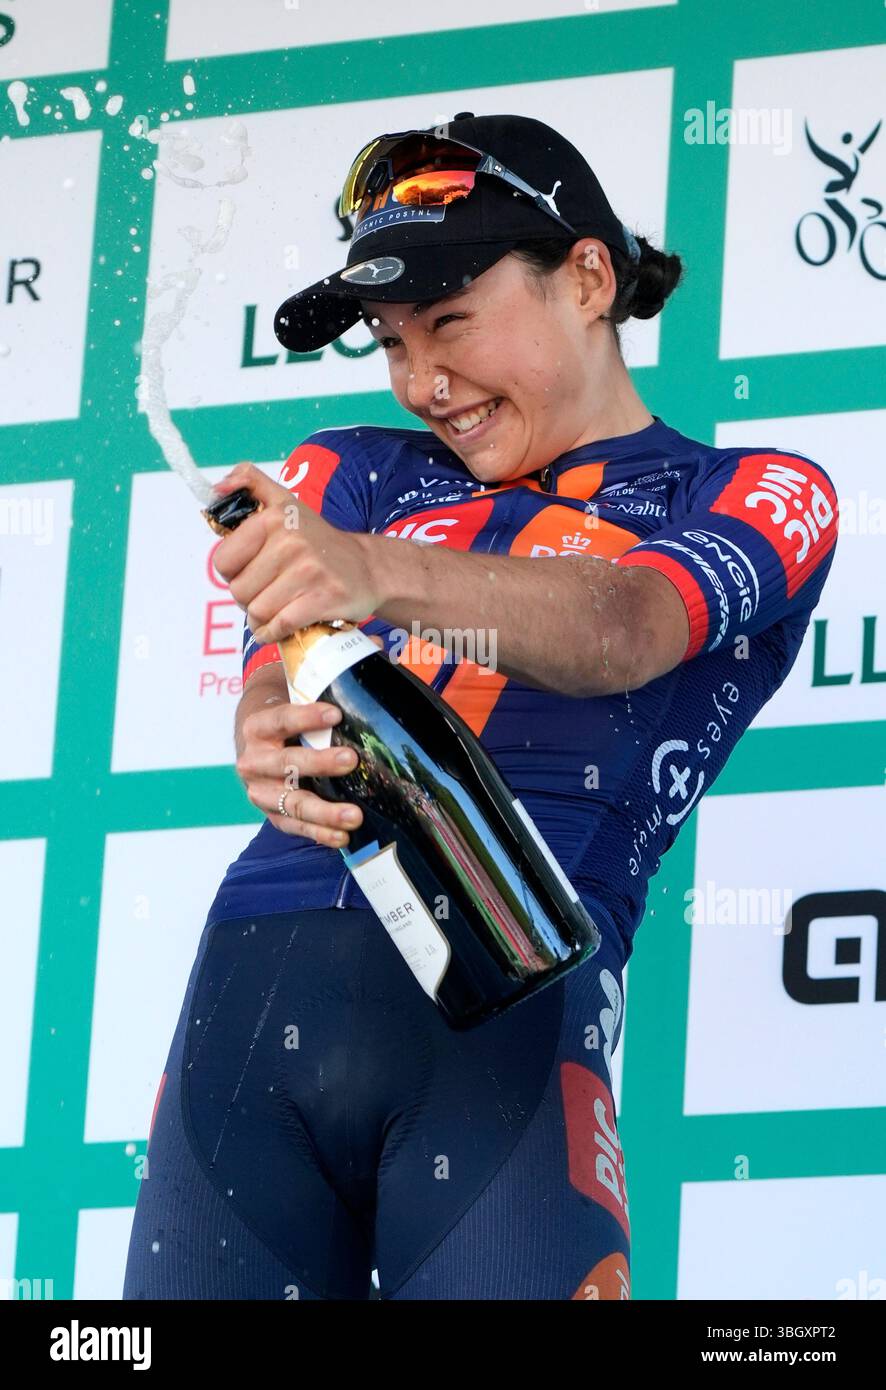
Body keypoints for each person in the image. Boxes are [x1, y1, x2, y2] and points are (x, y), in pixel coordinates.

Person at [122, 113, 838, 1301]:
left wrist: (378, 570)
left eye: (450, 322)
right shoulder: (355, 465)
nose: (421, 380)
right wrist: (264, 703)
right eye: (393, 343)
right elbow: (291, 641)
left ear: (589, 278)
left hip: (502, 1009)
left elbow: (625, 630)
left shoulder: (755, 489)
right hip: (252, 999)